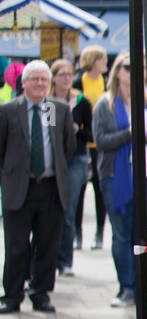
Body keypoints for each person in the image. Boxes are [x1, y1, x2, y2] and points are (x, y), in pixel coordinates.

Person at [93, 53, 147, 308]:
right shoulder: (104, 105)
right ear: (118, 72)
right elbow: (101, 142)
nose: (134, 71)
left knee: (140, 235)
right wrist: (128, 133)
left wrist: (145, 136)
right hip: (116, 177)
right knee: (121, 234)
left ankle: (140, 288)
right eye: (129, 67)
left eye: (141, 67)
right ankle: (126, 287)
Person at [0, 60, 76, 314]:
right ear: (23, 83)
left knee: (47, 245)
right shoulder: (9, 110)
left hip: (50, 189)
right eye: (34, 79)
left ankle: (40, 293)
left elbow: (66, 145)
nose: (40, 84)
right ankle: (12, 295)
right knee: (16, 245)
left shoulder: (57, 110)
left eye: (44, 79)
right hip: (19, 187)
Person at [49, 59, 93, 278]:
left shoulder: (81, 102)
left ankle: (65, 261)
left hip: (76, 159)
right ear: (54, 77)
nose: (67, 78)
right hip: (54, 160)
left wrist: (76, 130)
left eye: (69, 74)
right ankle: (49, 258)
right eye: (62, 74)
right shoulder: (47, 102)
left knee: (69, 208)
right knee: (51, 209)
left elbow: (91, 134)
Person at [73, 45, 109, 251]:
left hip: (101, 143)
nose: (105, 62)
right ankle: (78, 234)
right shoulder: (80, 81)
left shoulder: (106, 81)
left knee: (100, 188)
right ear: (92, 60)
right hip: (84, 141)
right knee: (79, 190)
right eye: (102, 59)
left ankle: (99, 232)